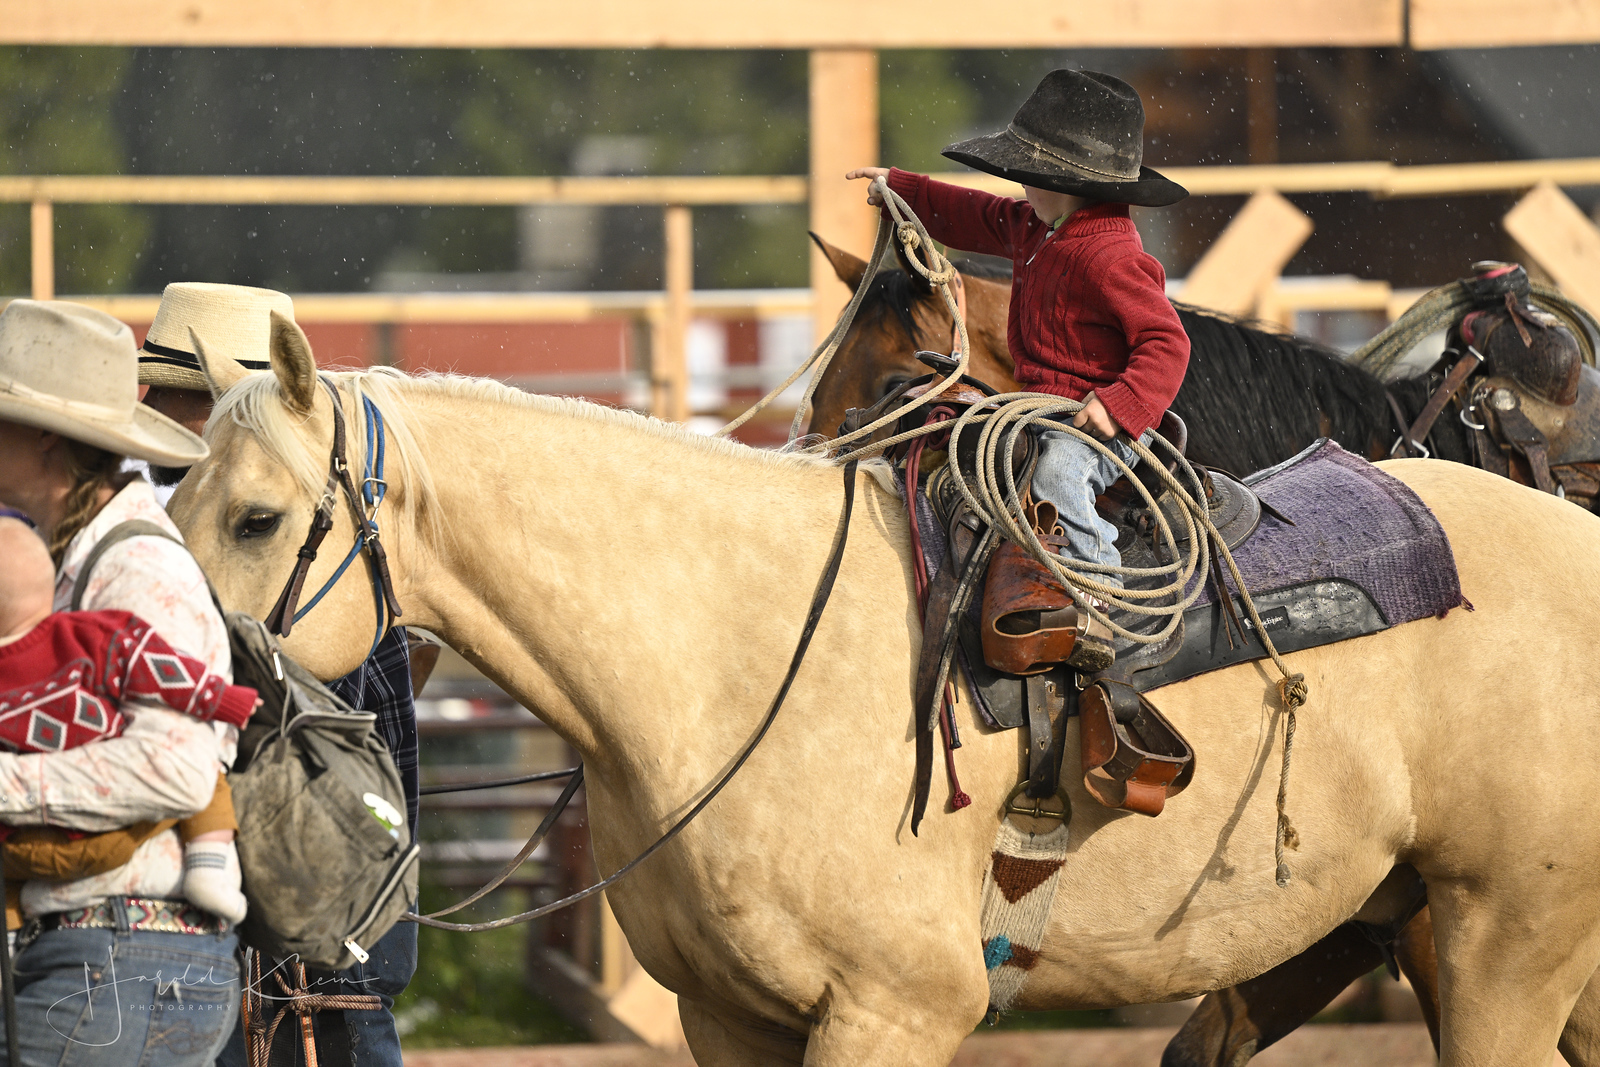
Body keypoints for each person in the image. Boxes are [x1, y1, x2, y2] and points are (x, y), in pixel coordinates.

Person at [135, 282, 423, 1067]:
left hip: (302, 905)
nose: (153, 406)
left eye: (176, 394)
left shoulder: (212, 515)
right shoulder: (230, 510)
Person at [848, 68, 1191, 671]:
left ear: (1066, 183)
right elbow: (972, 214)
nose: (1017, 190)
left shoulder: (1112, 256)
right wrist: (901, 190)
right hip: (1036, 407)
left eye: (1026, 179)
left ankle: (1097, 593)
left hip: (1096, 427)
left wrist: (1119, 404)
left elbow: (1167, 342)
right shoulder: (1038, 227)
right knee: (959, 444)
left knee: (1060, 476)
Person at [0, 299, 241, 1065]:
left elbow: (177, 764)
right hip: (115, 963)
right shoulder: (79, 558)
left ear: (42, 435)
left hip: (118, 961)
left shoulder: (137, 565)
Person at [0, 517, 252, 926]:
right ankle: (208, 864)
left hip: (23, 851)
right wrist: (223, 700)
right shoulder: (78, 636)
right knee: (205, 763)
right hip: (115, 842)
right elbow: (155, 671)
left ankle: (8, 935)